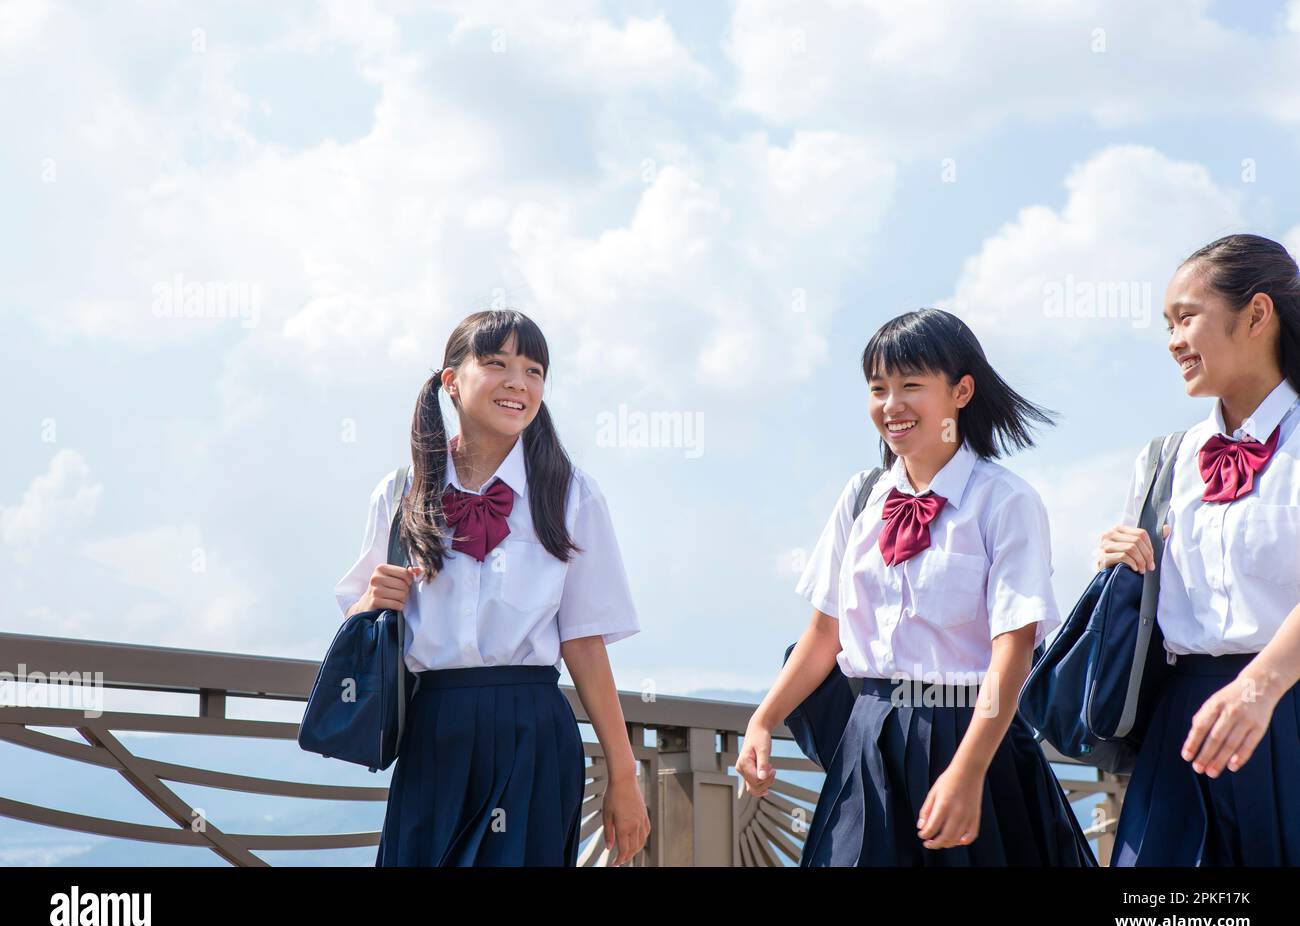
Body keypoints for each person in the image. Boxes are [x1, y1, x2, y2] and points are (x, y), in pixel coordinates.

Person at [736, 308, 1096, 866]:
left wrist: (969, 771)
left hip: (973, 735)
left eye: (911, 385)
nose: (890, 405)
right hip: (869, 740)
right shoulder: (861, 499)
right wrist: (761, 720)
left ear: (962, 391)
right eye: (878, 388)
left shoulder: (1005, 501)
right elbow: (823, 634)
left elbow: (1015, 650)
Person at [335, 309, 649, 866]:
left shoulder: (572, 495)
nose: (519, 383)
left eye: (534, 371)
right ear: (451, 380)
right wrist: (370, 601)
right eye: (497, 364)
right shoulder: (401, 491)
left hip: (532, 733)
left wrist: (623, 777)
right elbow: (362, 623)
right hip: (434, 730)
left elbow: (583, 641)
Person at [1101, 234, 1300, 866]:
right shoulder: (1164, 460)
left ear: (1257, 314)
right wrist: (1117, 557)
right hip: (1183, 721)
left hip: (1286, 705)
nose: (1173, 341)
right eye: (1167, 325)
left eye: (1187, 317)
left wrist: (1261, 685)